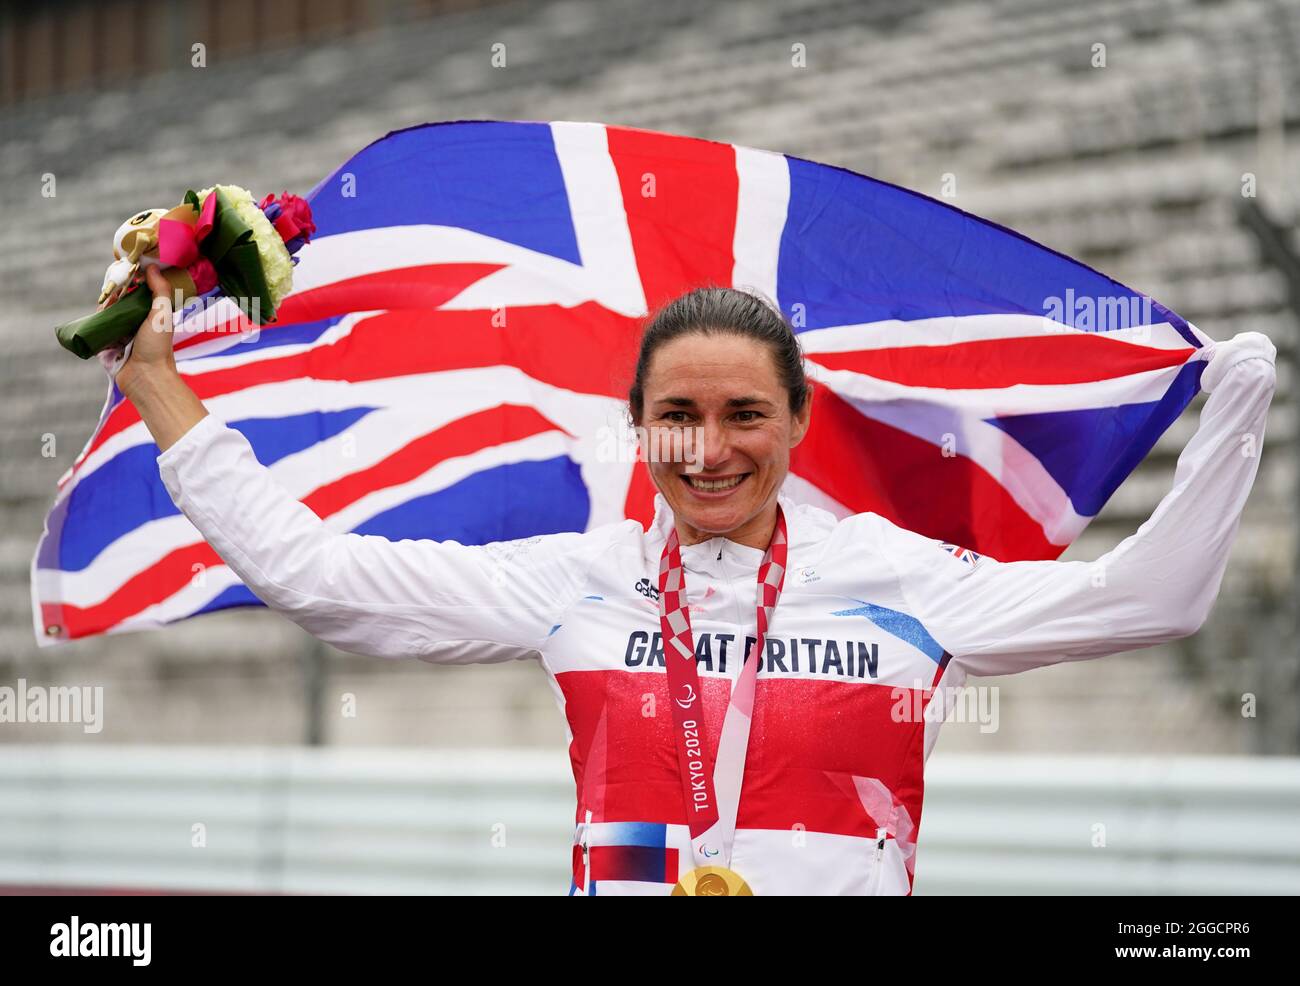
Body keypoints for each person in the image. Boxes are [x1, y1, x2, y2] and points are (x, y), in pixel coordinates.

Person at [114, 265, 1277, 895]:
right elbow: (314, 575)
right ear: (636, 426)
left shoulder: (900, 576)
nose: (708, 448)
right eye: (676, 414)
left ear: (799, 422)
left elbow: (1150, 597)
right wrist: (159, 384)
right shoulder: (579, 577)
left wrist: (1234, 409)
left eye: (743, 415)